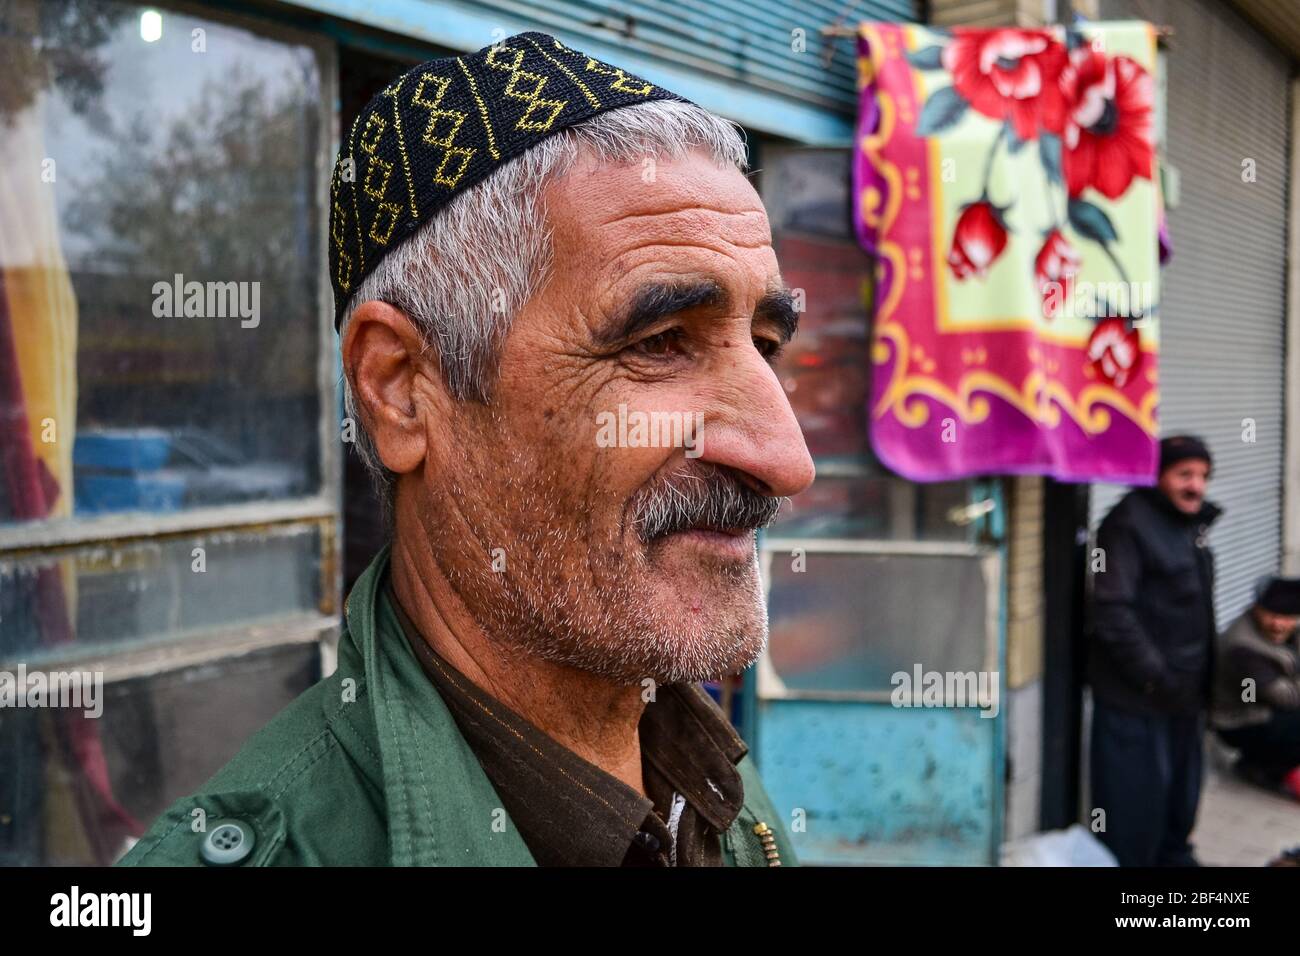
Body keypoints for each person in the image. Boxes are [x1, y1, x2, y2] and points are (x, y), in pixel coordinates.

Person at [120, 32, 815, 867]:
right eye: (661, 341)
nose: (786, 459)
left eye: (766, 344)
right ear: (403, 388)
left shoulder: (711, 783)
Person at [1089, 434, 1221, 866]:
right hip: (1138, 699)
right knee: (1133, 814)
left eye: (1203, 475)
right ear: (1157, 475)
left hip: (1183, 697)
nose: (1196, 486)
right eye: (1184, 474)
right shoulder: (1126, 526)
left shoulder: (1188, 525)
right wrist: (1154, 676)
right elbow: (1111, 610)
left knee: (1178, 804)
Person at [1211, 577, 1300, 800]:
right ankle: (1265, 767)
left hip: (1263, 703)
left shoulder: (1289, 631)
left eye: (1287, 617)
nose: (1278, 624)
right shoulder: (1242, 648)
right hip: (1242, 719)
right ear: (1256, 609)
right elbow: (1287, 697)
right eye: (1271, 614)